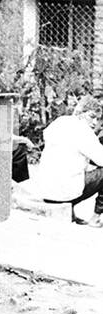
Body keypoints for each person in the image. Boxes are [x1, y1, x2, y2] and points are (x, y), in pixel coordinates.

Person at [33, 97, 103, 226]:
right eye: (92, 117)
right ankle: (96, 217)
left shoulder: (59, 122)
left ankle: (71, 211)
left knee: (67, 168)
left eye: (97, 119)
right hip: (64, 193)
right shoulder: (84, 130)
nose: (95, 122)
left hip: (45, 190)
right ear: (81, 113)